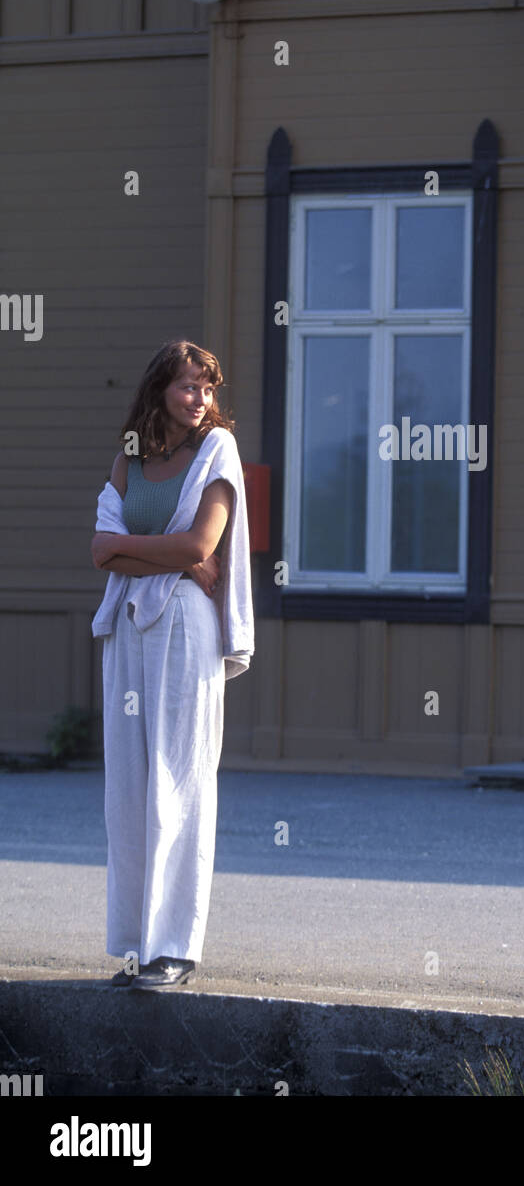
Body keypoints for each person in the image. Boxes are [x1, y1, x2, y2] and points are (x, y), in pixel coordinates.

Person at [90, 339, 254, 991]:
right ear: (159, 388)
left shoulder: (216, 451)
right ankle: (137, 946)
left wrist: (169, 553)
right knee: (130, 787)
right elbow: (101, 551)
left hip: (185, 625)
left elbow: (202, 542)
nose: (200, 399)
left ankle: (176, 947)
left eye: (209, 389)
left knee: (179, 777)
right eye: (188, 386)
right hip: (128, 626)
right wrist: (177, 557)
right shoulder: (131, 457)